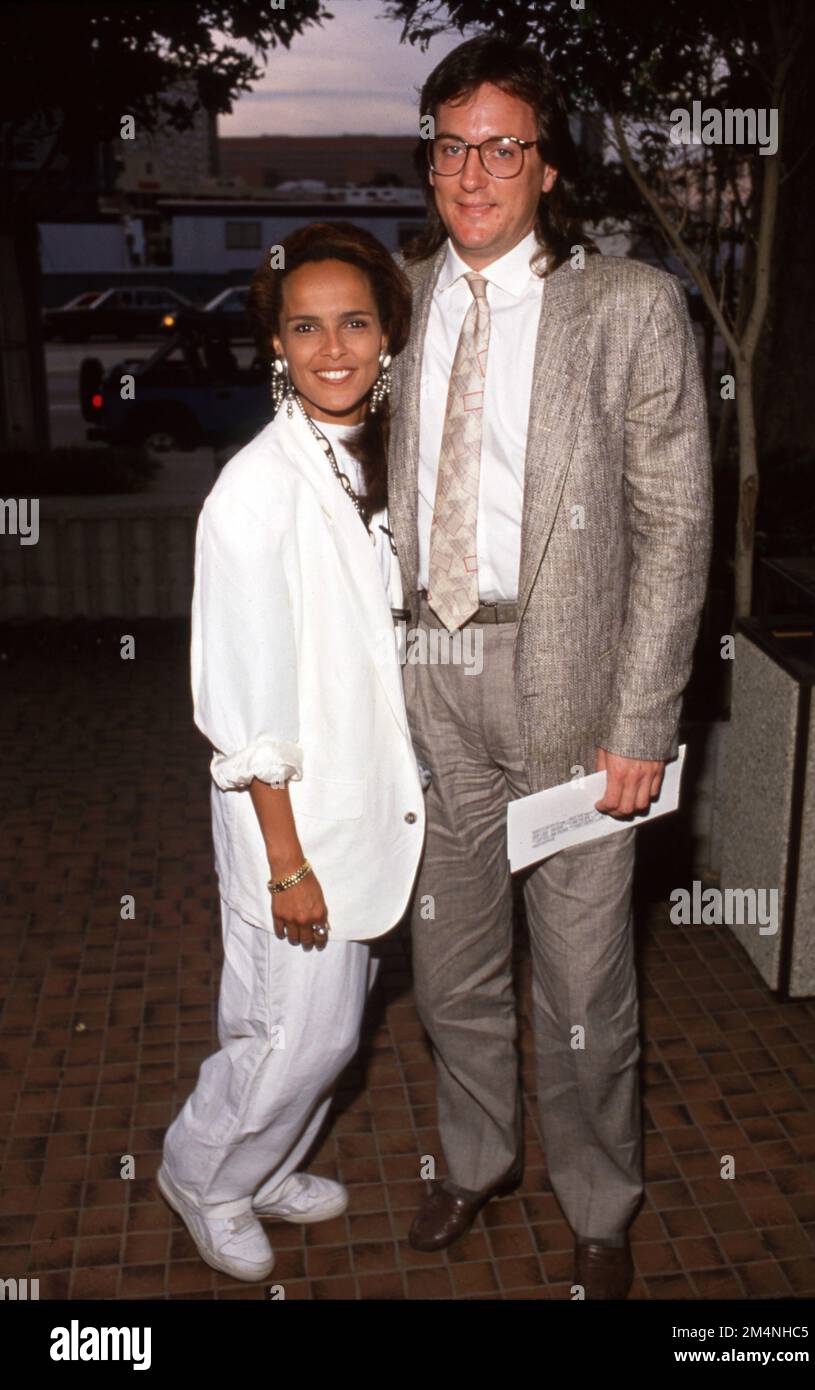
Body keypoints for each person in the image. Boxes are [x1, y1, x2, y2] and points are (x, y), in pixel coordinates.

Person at [388, 36, 713, 1299]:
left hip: (575, 687)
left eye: (502, 147)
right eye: (451, 146)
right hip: (429, 675)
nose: (473, 173)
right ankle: (475, 1159)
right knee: (449, 960)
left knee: (582, 978)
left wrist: (644, 718)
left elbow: (675, 529)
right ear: (429, 162)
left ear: (547, 167)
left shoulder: (627, 306)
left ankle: (598, 1204)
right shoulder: (396, 300)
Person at [159, 222, 426, 1283]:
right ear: (275, 343)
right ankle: (203, 1176)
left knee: (330, 1025)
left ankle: (262, 1165)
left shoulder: (378, 458)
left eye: (353, 322)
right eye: (305, 327)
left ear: (385, 333)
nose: (332, 347)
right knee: (287, 1034)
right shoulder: (254, 490)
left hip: (359, 797)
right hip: (291, 814)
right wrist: (284, 861)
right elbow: (245, 703)